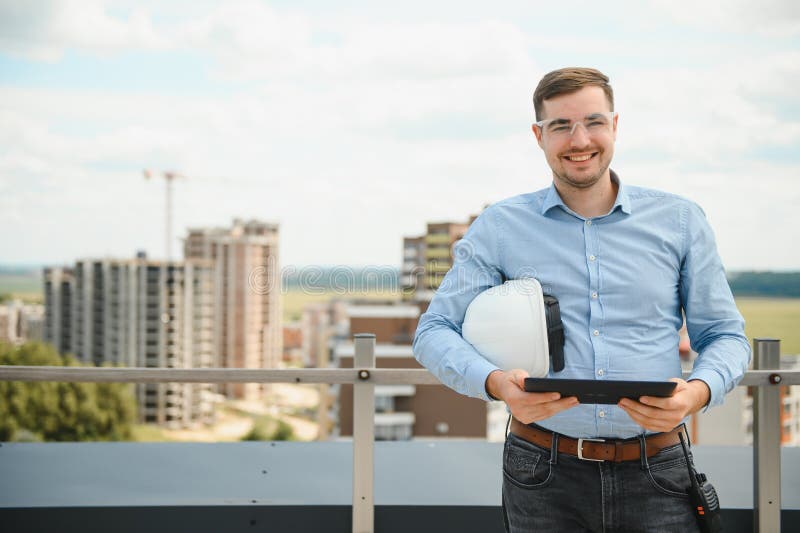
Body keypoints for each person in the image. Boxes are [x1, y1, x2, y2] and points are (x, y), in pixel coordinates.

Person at [412, 67, 750, 532]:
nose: (579, 139)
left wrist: (696, 394)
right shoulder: (500, 227)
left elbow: (726, 335)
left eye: (593, 121)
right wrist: (495, 384)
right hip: (541, 472)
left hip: (659, 469)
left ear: (615, 126)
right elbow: (434, 331)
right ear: (539, 135)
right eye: (560, 126)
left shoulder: (680, 221)